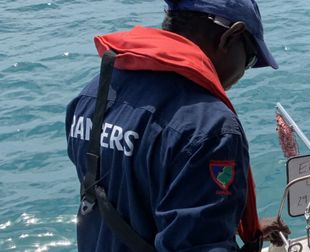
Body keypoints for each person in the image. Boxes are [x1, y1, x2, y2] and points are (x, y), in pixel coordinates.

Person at [65, 0, 289, 250]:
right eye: (249, 60)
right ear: (230, 37)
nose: (242, 74)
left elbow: (128, 196)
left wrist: (224, 223)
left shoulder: (91, 96)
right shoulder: (209, 128)